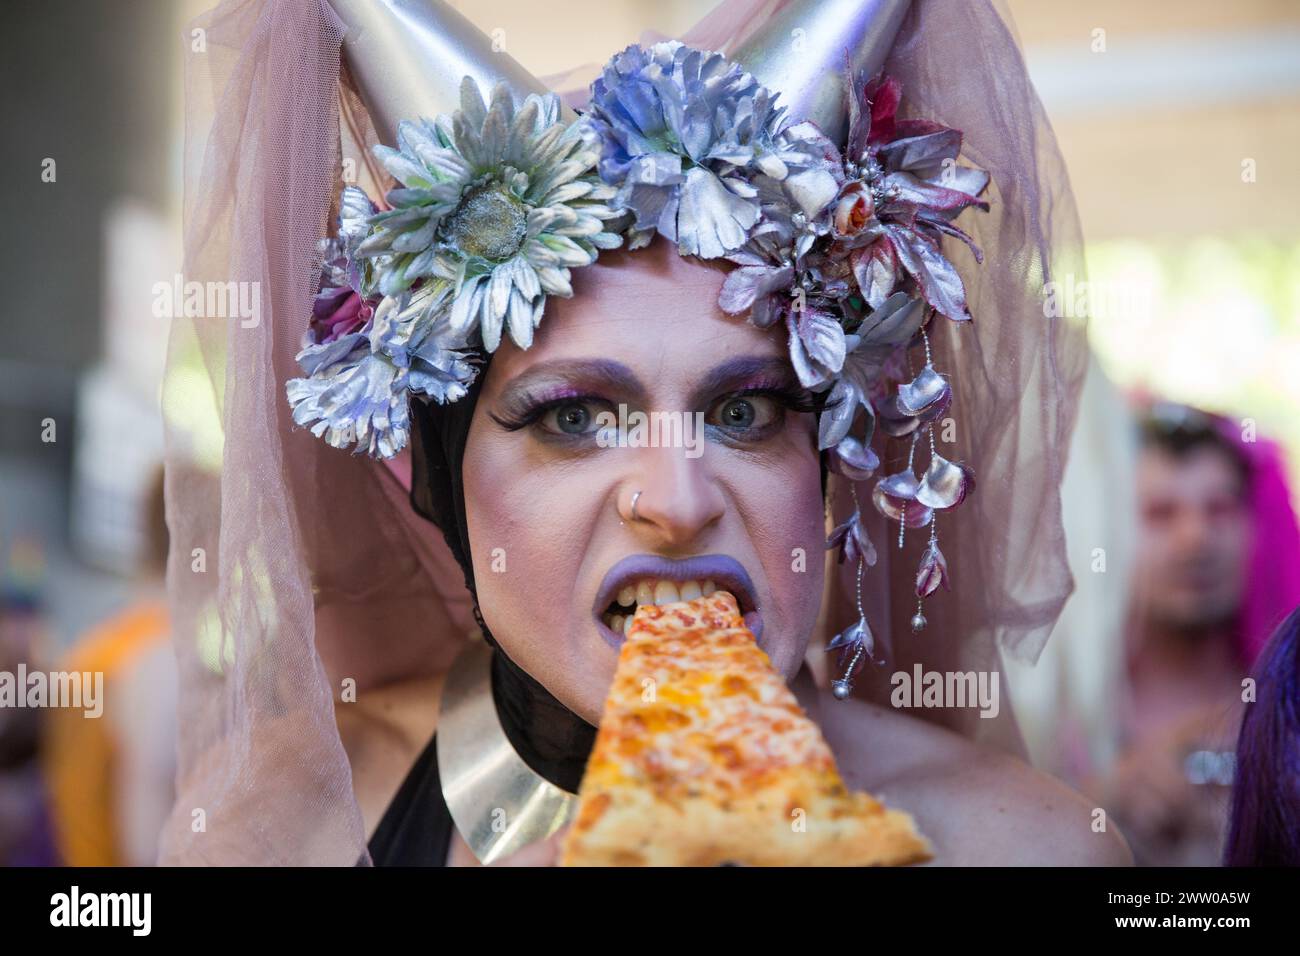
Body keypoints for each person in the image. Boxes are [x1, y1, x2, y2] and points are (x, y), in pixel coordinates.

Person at [160, 0, 1128, 866]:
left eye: (744, 412)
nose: (675, 501)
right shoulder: (273, 829)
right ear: (435, 476)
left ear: (827, 455)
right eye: (573, 417)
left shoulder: (1025, 845)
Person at [1097, 400, 1300, 864]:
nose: (1196, 538)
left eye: (1220, 509)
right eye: (1161, 512)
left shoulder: (1293, 702)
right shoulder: (1056, 715)